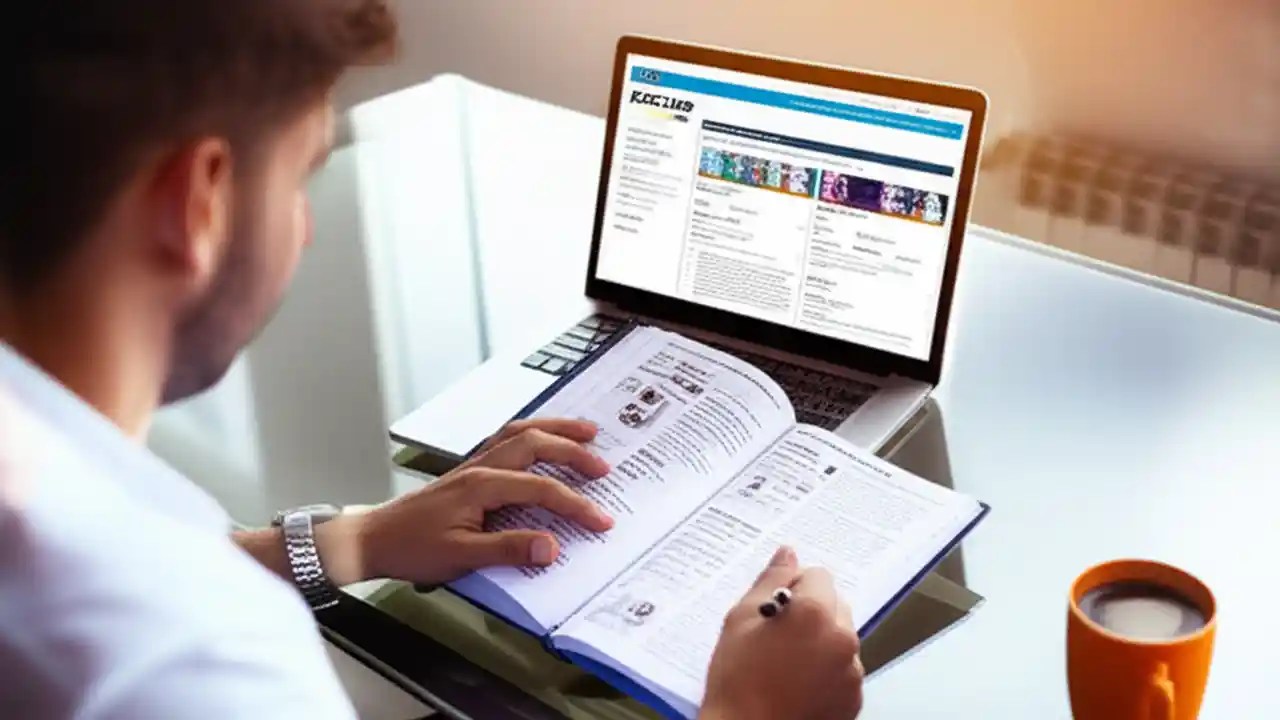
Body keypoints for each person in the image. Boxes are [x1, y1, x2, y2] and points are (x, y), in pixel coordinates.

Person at [0, 2, 863, 719]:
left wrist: (358, 538)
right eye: (301, 173)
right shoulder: (201, 672)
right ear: (199, 203)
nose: (303, 225)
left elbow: (141, 552)